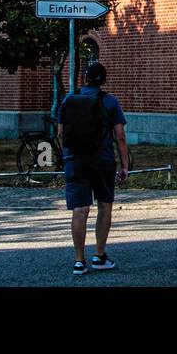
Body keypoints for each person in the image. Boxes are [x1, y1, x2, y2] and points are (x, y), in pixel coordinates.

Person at [57, 60, 129, 276]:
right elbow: (120, 136)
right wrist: (124, 165)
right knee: (104, 206)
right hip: (103, 161)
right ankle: (99, 255)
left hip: (75, 161)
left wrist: (67, 156)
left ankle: (79, 260)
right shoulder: (110, 101)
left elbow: (60, 134)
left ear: (85, 78)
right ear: (103, 81)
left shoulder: (69, 99)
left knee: (80, 210)